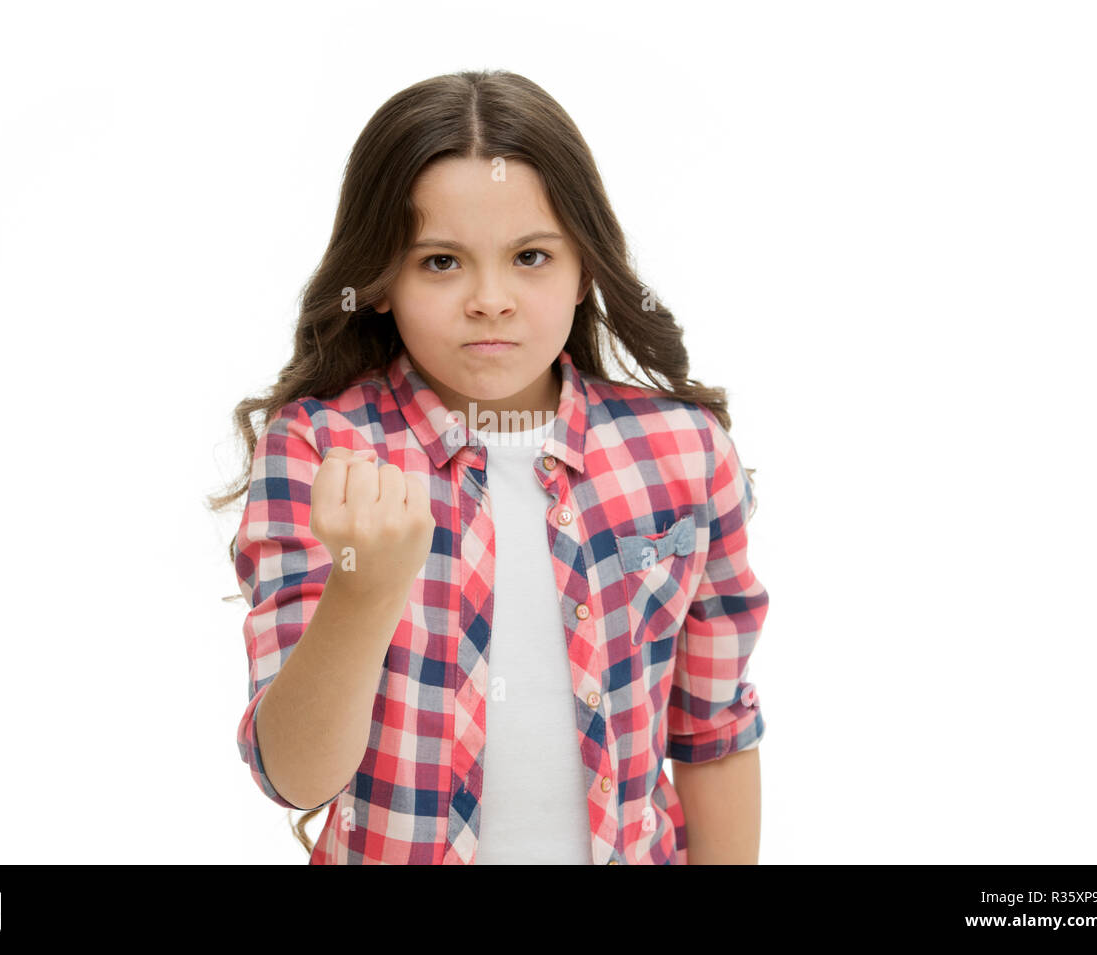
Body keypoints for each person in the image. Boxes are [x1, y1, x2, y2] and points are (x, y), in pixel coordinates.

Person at [207, 69, 769, 865]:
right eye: (441, 262)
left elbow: (712, 728)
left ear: (585, 270)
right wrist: (363, 587)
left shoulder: (682, 451)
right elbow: (297, 775)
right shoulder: (320, 451)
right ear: (378, 282)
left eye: (531, 256)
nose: (490, 298)